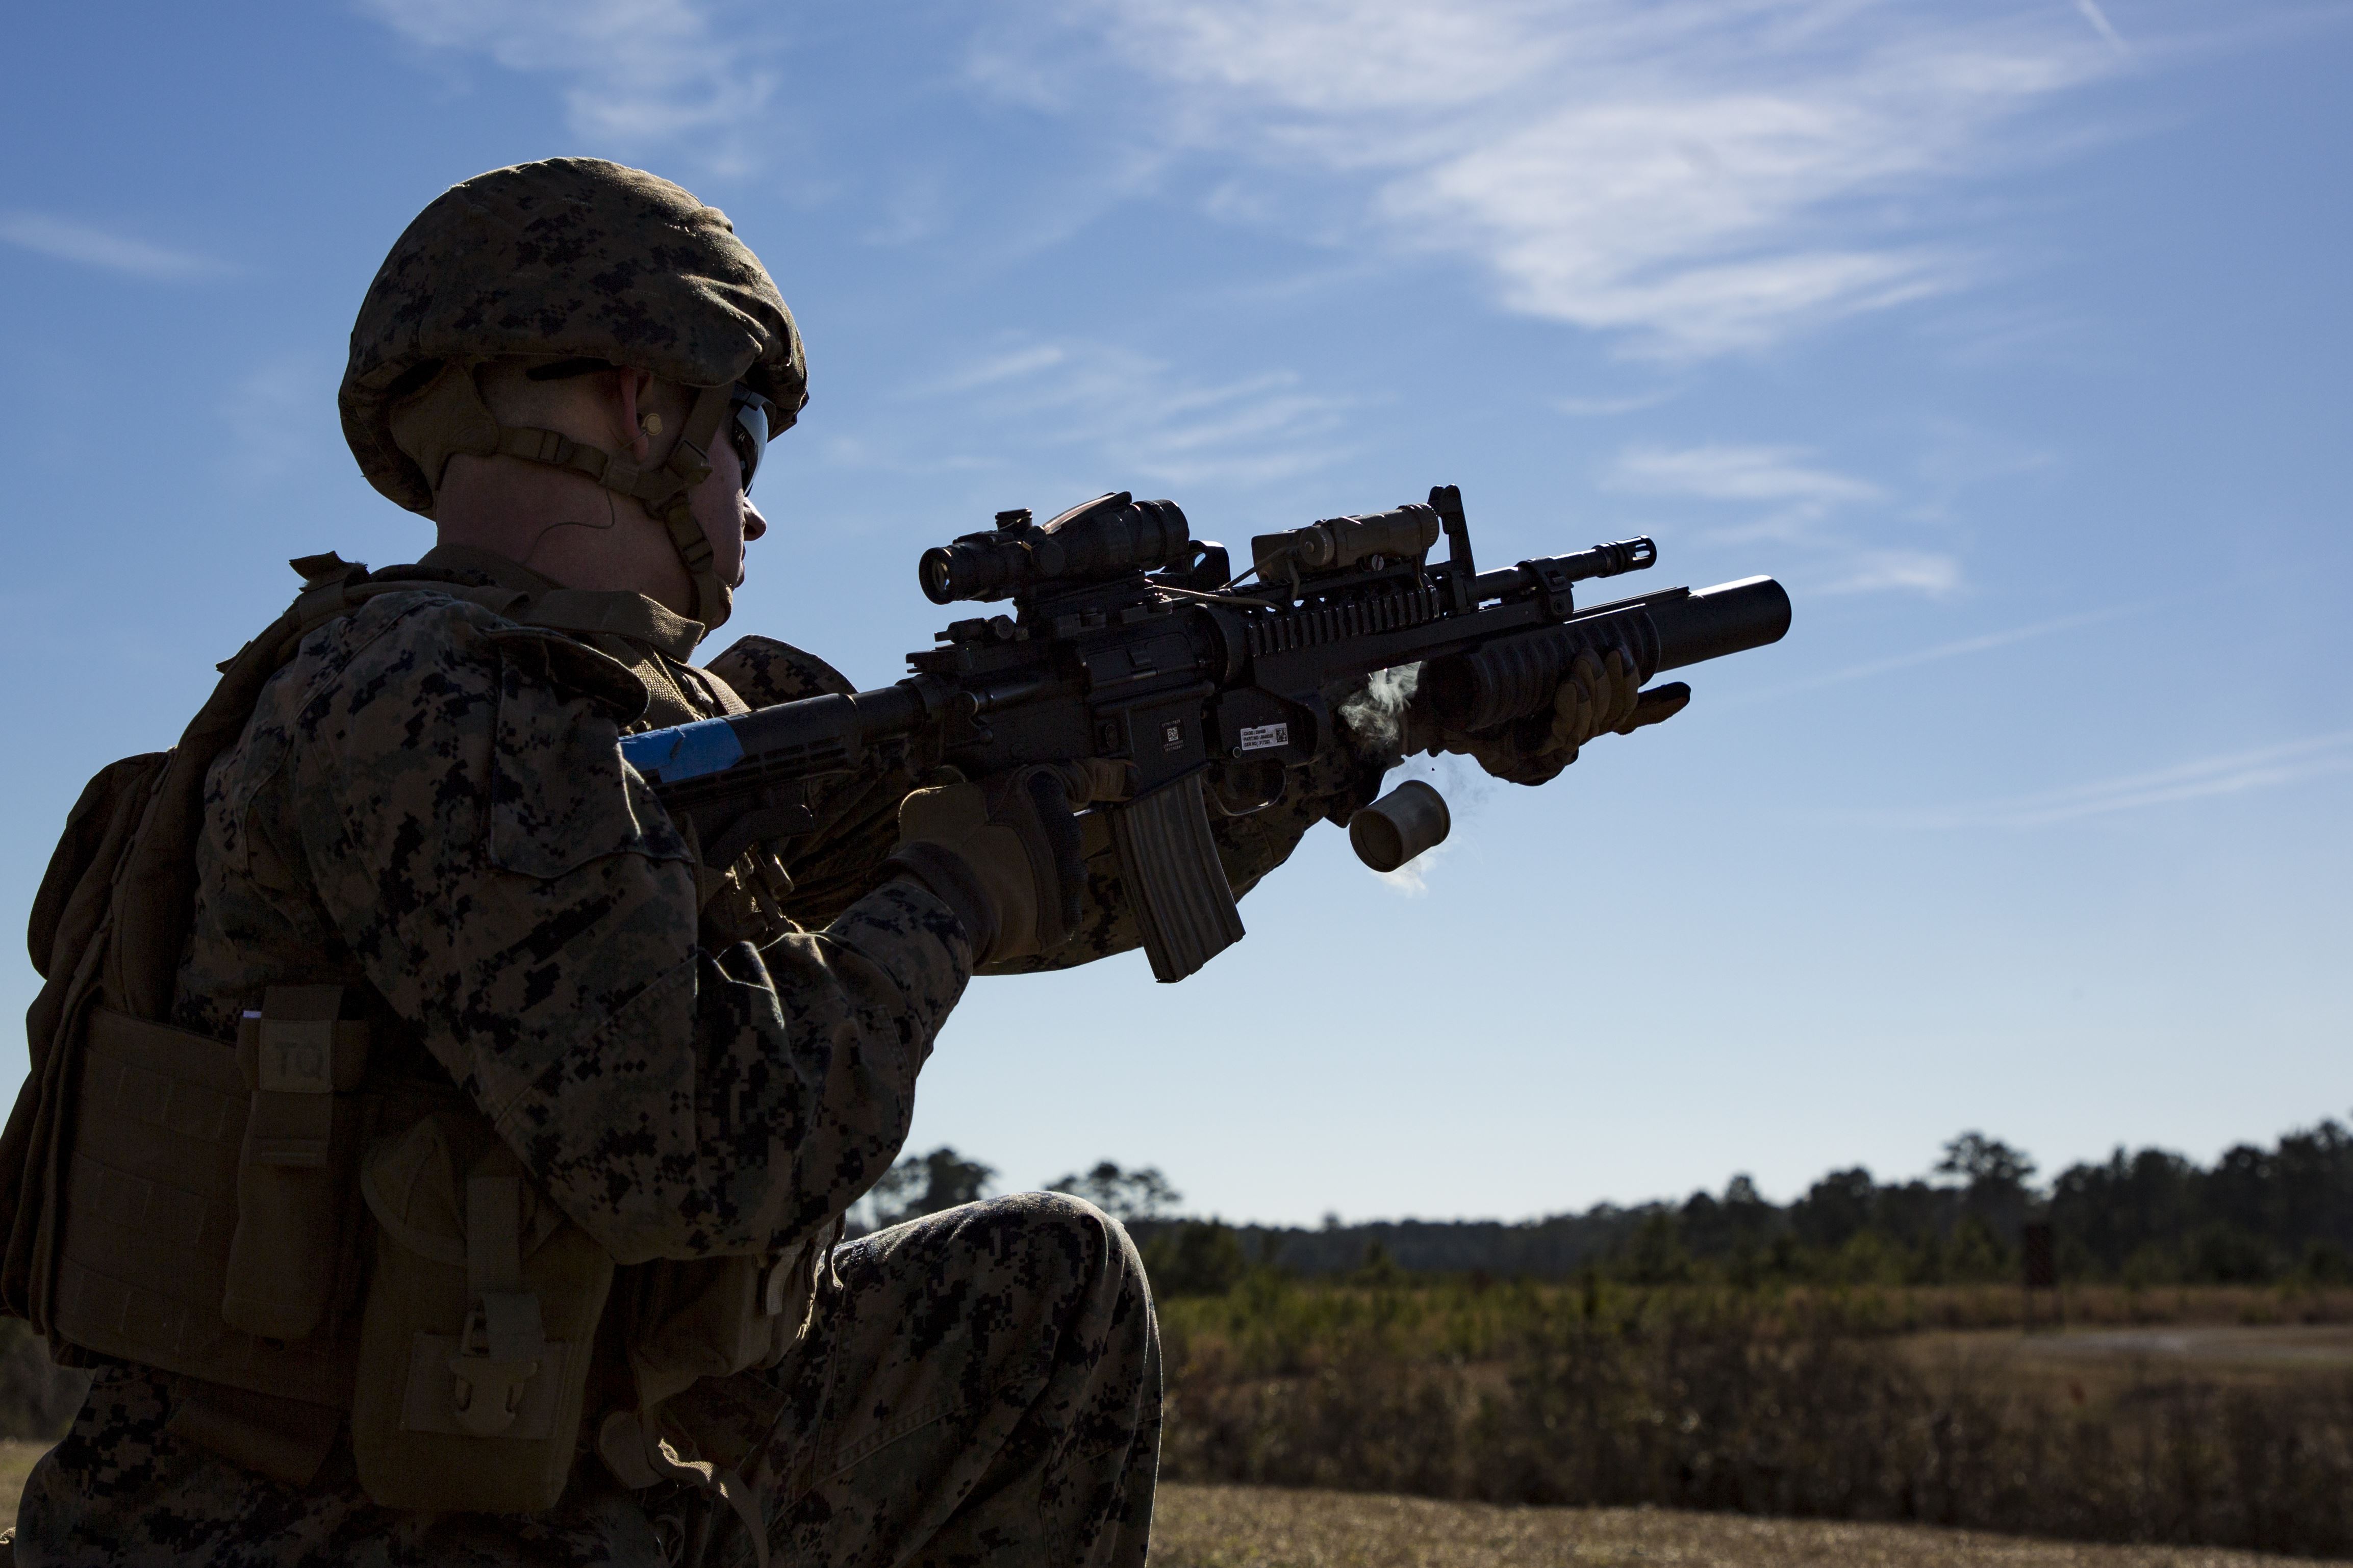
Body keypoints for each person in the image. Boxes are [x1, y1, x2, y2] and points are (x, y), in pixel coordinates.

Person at [4, 159, 1661, 1567]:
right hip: (323, 1520)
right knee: (1057, 1295)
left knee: (1037, 1288)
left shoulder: (610, 712)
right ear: (640, 403)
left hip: (469, 1448)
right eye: (746, 443)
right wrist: (947, 896)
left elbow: (1075, 879)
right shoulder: (456, 707)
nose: (753, 505)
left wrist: (1386, 716)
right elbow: (705, 1154)